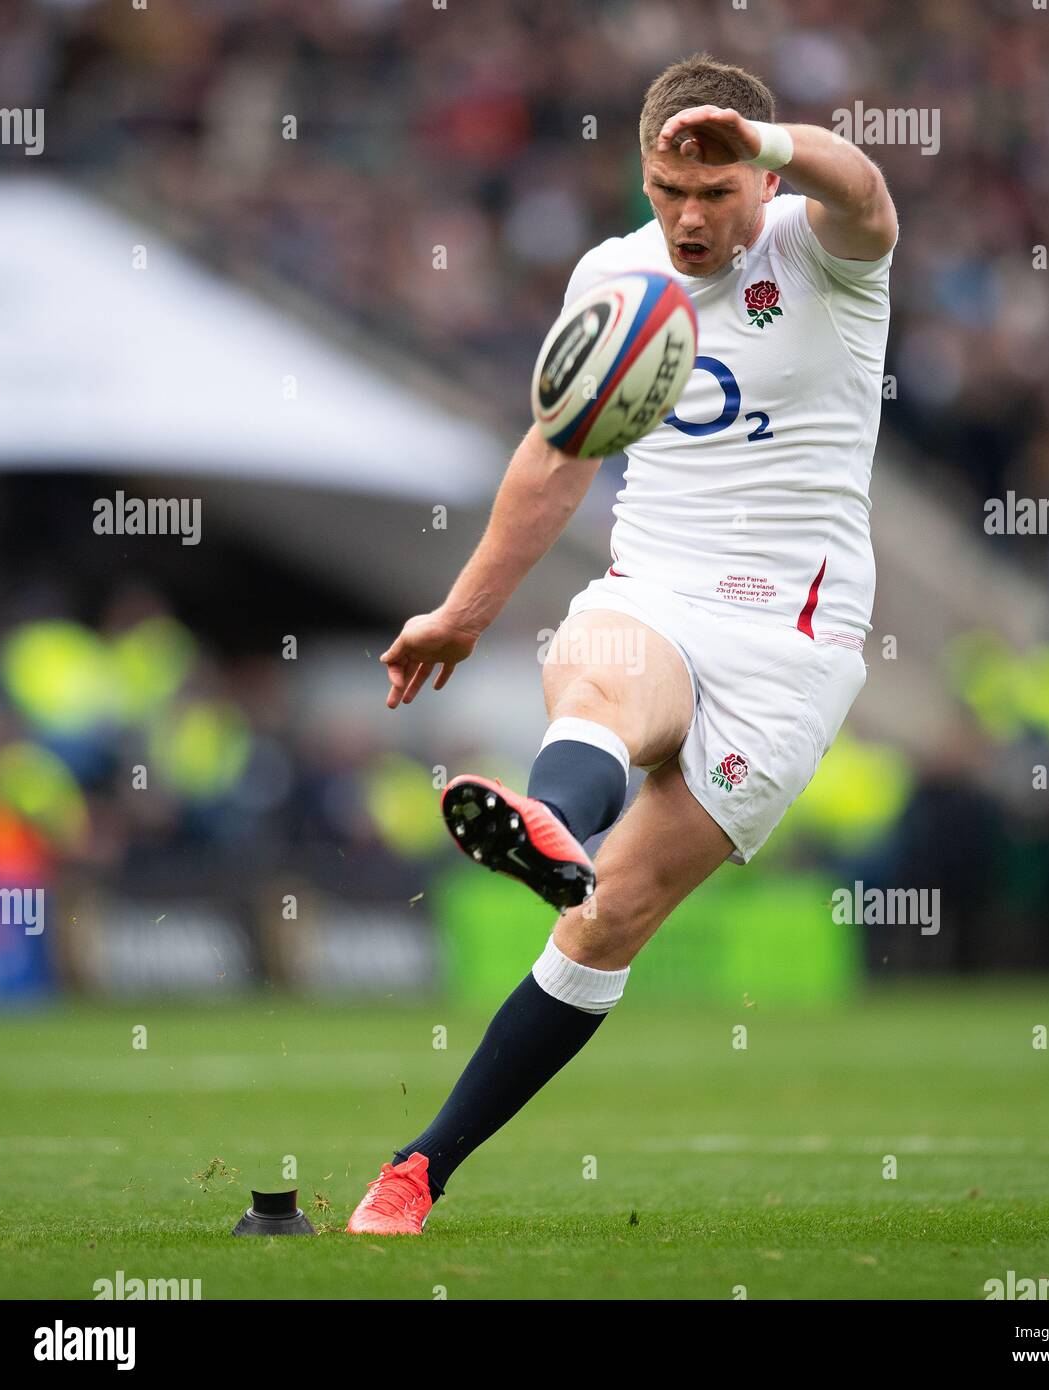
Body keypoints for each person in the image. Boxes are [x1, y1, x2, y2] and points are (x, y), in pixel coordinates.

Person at [347, 53, 898, 1235]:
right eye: (666, 189)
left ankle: (426, 1155)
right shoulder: (614, 271)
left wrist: (783, 144)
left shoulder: (821, 248)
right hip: (657, 578)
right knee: (600, 678)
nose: (689, 218)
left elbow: (864, 189)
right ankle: (553, 825)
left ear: (758, 174)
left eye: (714, 191)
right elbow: (558, 450)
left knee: (609, 919)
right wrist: (462, 612)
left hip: (793, 634)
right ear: (640, 177)